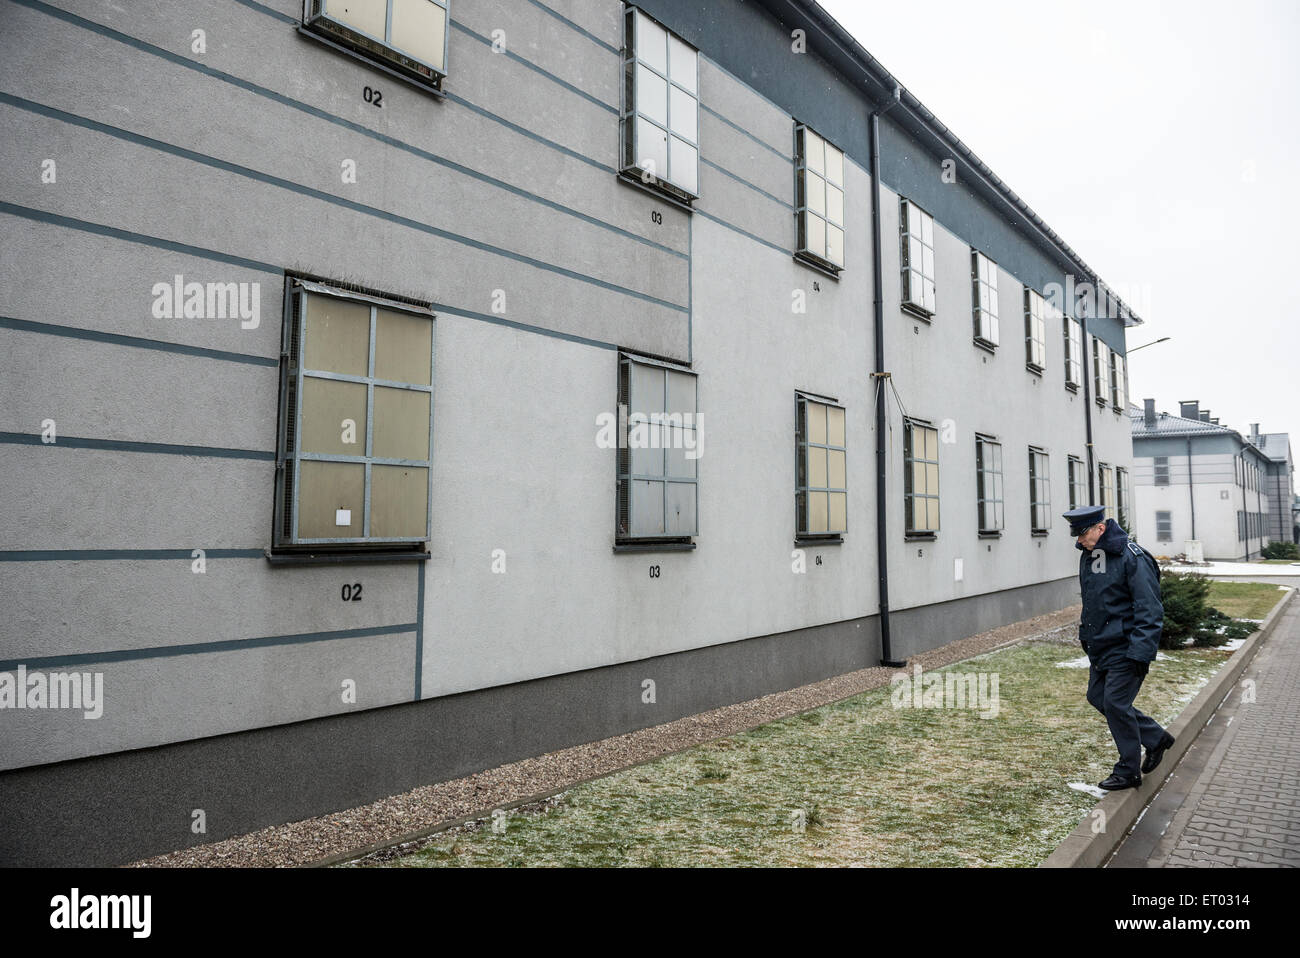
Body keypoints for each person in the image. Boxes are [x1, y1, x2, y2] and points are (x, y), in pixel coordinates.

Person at [1063, 505, 1175, 790]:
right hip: (1101, 647)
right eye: (1076, 535)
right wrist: (1086, 636)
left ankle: (1128, 771)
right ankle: (1155, 738)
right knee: (1098, 697)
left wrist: (1141, 652)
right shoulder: (1090, 556)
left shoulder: (1133, 557)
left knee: (1115, 703)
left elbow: (1149, 610)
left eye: (1083, 533)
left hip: (1127, 648)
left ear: (1101, 528)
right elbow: (1094, 602)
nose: (1079, 540)